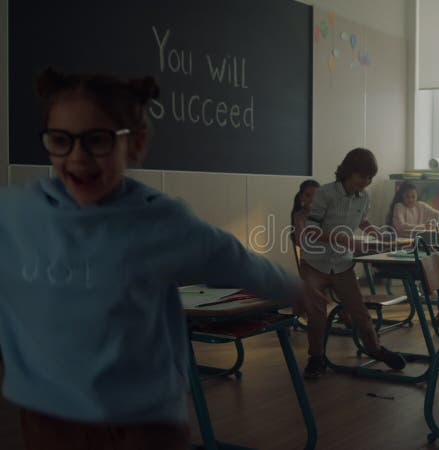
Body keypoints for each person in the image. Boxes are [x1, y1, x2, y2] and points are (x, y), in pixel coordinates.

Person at [0, 68, 303, 450]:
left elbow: (231, 258)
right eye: (60, 140)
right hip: (49, 420)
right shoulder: (14, 214)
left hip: (141, 423)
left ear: (136, 143)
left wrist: (294, 289)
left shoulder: (160, 220)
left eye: (97, 140)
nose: (77, 156)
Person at [299, 148, 406, 378]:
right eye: (361, 177)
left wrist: (376, 233)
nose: (365, 182)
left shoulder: (365, 197)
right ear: (348, 172)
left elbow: (362, 219)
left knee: (360, 312)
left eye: (369, 178)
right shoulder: (325, 194)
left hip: (342, 263)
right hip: (315, 262)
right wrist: (342, 239)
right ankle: (316, 358)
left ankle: (375, 349)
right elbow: (311, 229)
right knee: (317, 314)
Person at [291, 179, 320, 243]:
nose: (312, 199)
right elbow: (301, 241)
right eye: (308, 195)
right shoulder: (298, 216)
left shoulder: (325, 213)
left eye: (316, 195)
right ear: (301, 197)